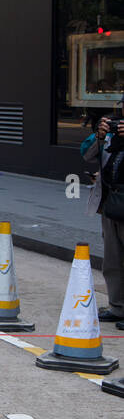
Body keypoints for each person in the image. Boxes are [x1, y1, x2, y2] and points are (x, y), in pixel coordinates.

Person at [85, 116, 124, 322]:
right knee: (112, 260)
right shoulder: (113, 134)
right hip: (112, 203)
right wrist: (99, 136)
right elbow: (87, 155)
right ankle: (117, 307)